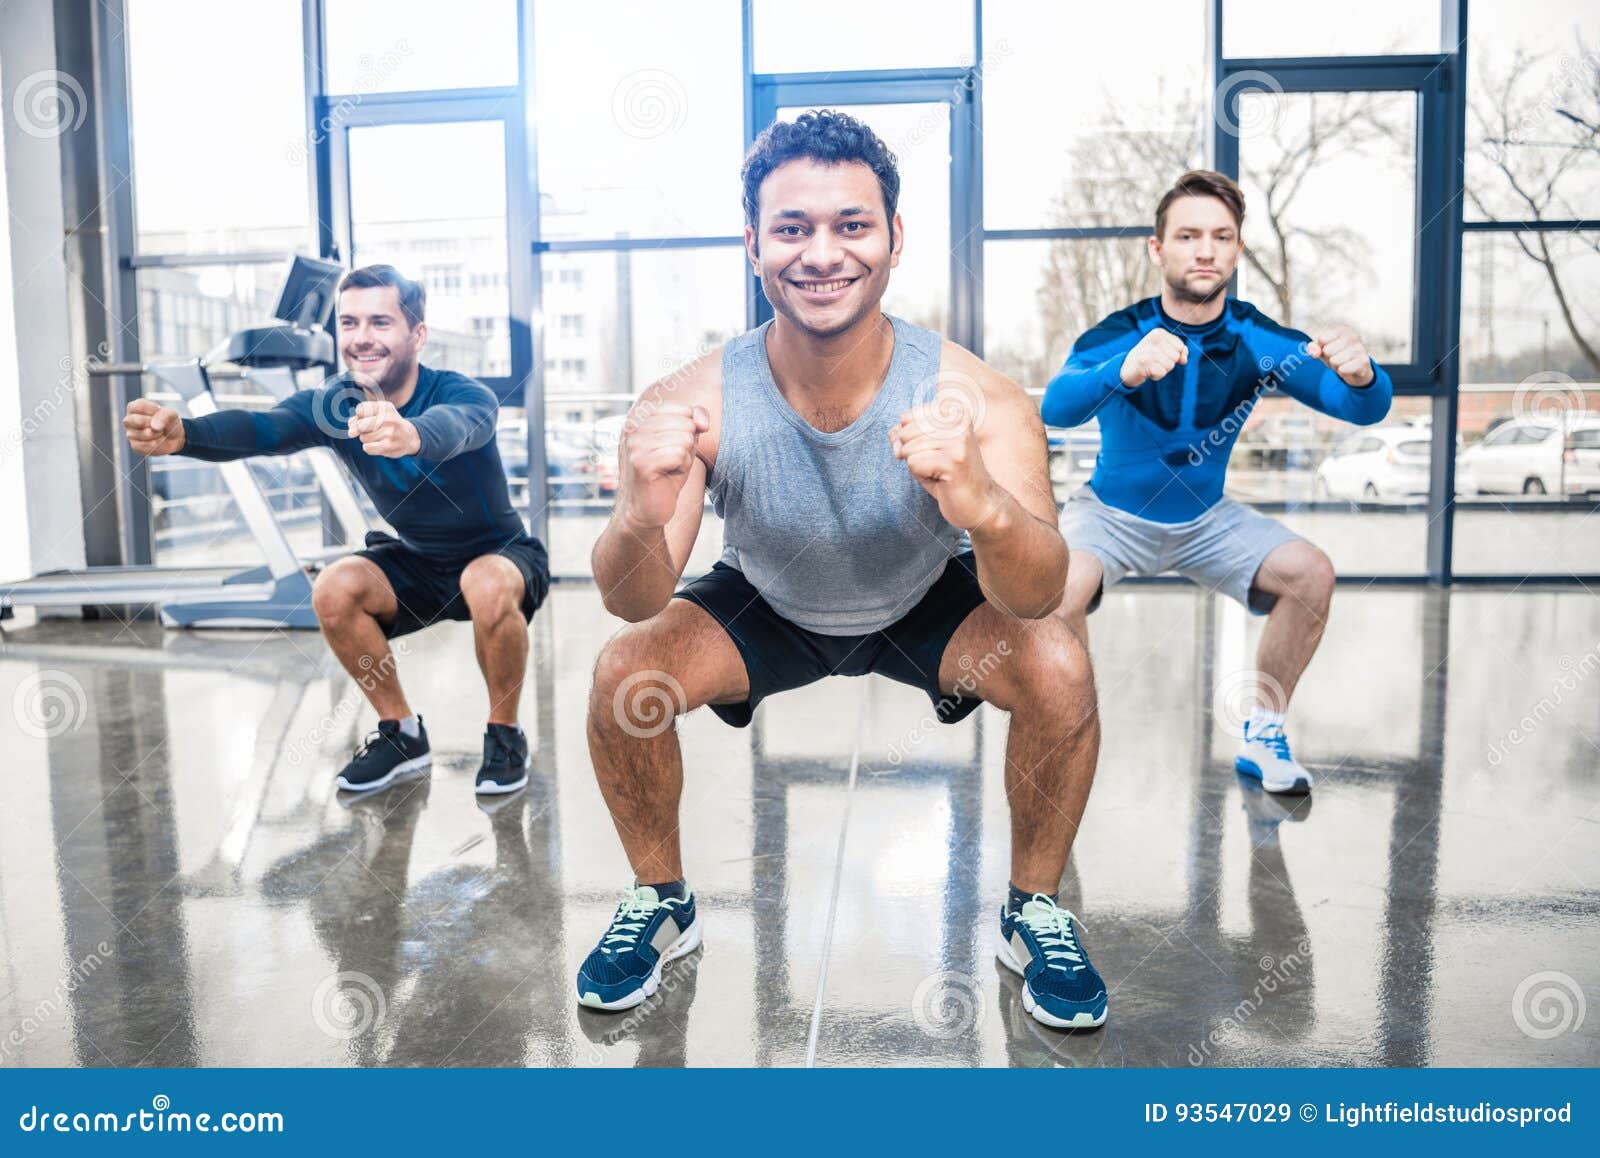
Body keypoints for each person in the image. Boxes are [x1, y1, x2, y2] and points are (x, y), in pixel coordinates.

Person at [575, 111, 1106, 1030]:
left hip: (921, 596)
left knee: (1058, 663)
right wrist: (635, 510)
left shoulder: (981, 396)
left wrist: (979, 503)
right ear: (753, 244)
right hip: (769, 600)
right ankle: (662, 899)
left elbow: (1035, 591)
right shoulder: (691, 400)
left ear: (895, 239)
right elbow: (636, 598)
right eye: (792, 228)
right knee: (627, 675)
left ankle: (1034, 910)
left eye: (851, 225)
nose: (822, 253)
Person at [122, 264, 548, 797]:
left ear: (416, 334)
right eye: (349, 323)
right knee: (334, 586)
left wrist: (410, 432)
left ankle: (505, 736)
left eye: (380, 322)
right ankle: (402, 734)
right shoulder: (336, 403)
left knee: (485, 583)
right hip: (418, 560)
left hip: (500, 555)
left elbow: (463, 425)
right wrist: (185, 434)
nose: (362, 338)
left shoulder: (460, 392)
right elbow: (264, 427)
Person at [1042, 170, 1393, 795]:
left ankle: (1264, 734)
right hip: (1110, 516)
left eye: (1222, 237)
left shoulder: (1254, 337)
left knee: (1311, 573)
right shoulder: (1120, 331)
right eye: (1188, 235)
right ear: (1159, 249)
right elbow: (1057, 407)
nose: (1205, 250)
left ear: (1236, 249)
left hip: (1207, 520)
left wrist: (1366, 377)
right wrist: (1122, 369)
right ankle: (1068, 733)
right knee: (1055, 590)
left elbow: (1359, 406)